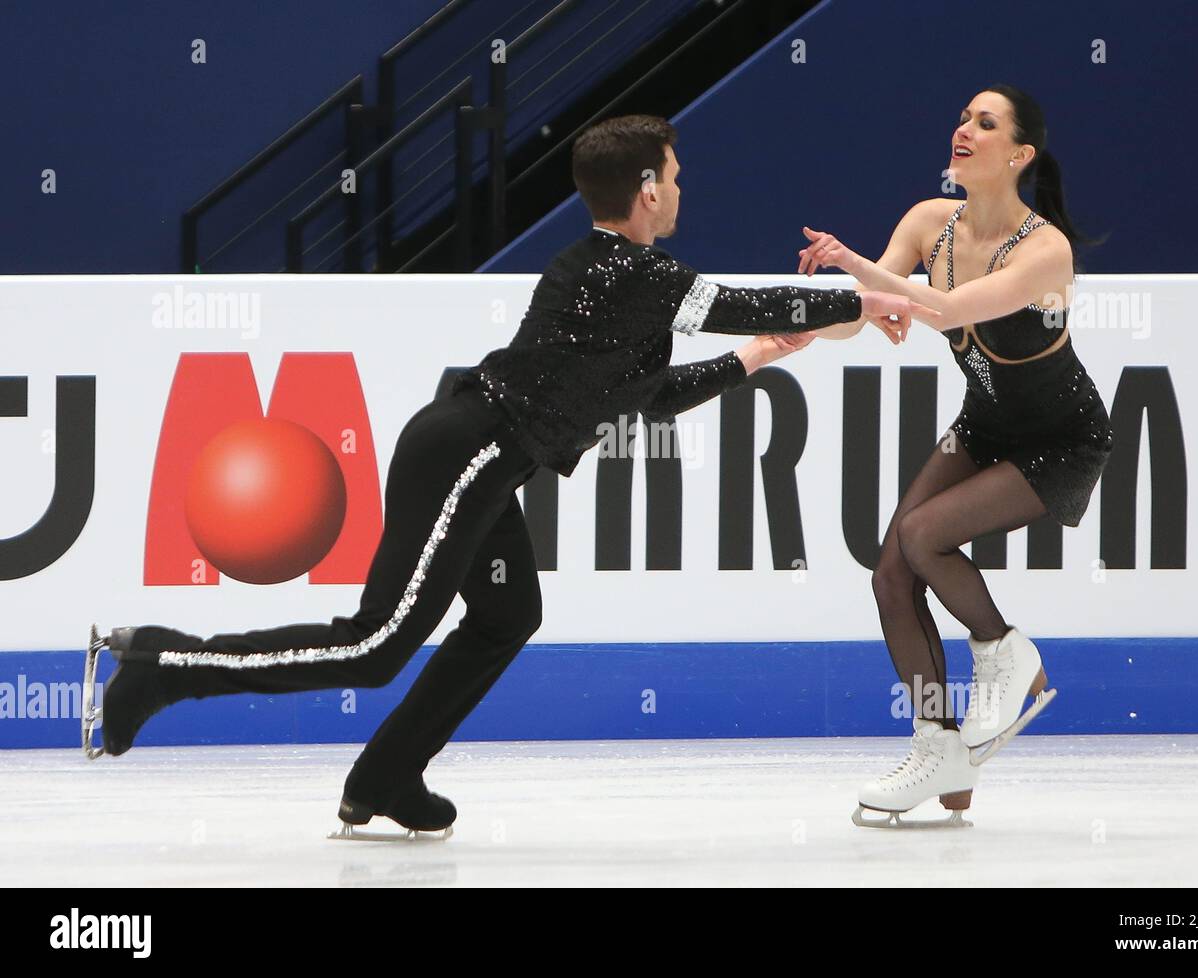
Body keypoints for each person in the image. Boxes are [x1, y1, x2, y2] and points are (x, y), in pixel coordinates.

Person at [87, 114, 936, 836]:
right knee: (374, 644)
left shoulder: (605, 277)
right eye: (674, 178)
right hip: (469, 451)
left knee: (506, 615)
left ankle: (385, 775)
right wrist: (871, 301)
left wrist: (756, 360)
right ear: (646, 188)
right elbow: (747, 304)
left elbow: (651, 395)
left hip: (488, 454)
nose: (680, 191)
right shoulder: (631, 272)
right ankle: (167, 665)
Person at [797, 85, 1113, 825]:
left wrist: (858, 268)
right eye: (964, 116)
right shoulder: (928, 223)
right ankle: (939, 745)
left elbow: (945, 309)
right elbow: (873, 311)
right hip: (983, 426)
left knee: (922, 534)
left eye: (985, 122)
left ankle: (1006, 651)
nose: (963, 128)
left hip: (1062, 440)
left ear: (1020, 153)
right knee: (890, 574)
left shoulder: (1045, 250)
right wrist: (813, 324)